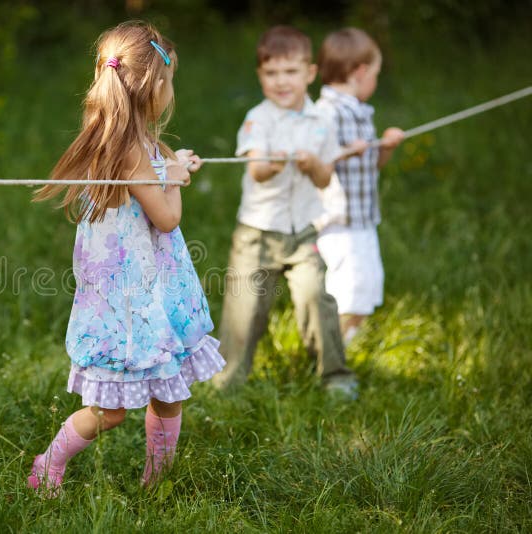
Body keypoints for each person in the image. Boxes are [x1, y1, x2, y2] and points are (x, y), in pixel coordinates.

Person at [28, 21, 225, 496]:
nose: (171, 90)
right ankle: (47, 463)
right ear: (155, 86)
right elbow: (167, 218)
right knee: (110, 411)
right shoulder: (130, 152)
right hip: (128, 302)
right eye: (170, 80)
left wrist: (174, 162)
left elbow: (158, 172)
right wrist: (174, 179)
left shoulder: (132, 141)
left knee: (168, 391)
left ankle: (157, 480)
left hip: (152, 292)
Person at [211, 25, 357, 398]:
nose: (281, 82)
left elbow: (325, 179)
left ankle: (334, 375)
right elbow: (257, 170)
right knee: (245, 307)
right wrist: (274, 162)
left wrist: (313, 166)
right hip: (257, 233)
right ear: (260, 77)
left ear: (309, 74)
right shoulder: (258, 119)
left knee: (315, 296)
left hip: (304, 230)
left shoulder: (322, 121)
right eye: (271, 73)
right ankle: (227, 381)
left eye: (290, 72)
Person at [314, 28, 405, 346]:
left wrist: (386, 148)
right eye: (376, 74)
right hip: (339, 220)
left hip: (363, 217)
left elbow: (369, 164)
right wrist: (344, 151)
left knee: (366, 285)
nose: (375, 82)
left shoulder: (360, 112)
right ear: (361, 72)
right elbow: (315, 161)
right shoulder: (326, 112)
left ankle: (345, 345)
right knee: (346, 289)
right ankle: (330, 352)